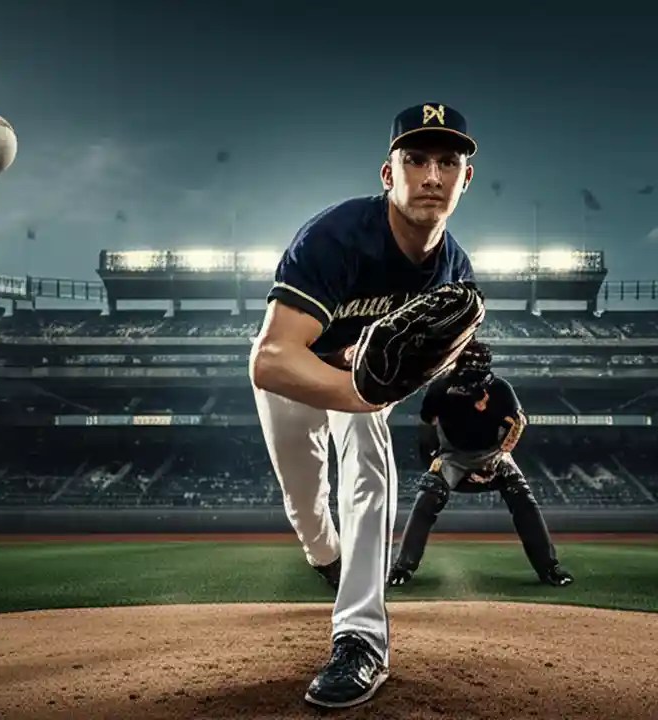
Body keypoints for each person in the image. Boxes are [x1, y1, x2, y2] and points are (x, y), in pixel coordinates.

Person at [249, 102, 478, 709]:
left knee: (370, 465)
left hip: (360, 385)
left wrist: (412, 379)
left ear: (465, 178)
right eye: (416, 160)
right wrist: (361, 389)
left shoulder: (455, 271)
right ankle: (326, 557)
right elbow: (269, 359)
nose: (432, 175)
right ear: (388, 173)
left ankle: (360, 639)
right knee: (304, 500)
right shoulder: (336, 236)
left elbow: (434, 360)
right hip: (295, 371)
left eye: (447, 162)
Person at [388, 341, 573, 587]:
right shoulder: (440, 387)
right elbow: (428, 425)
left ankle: (549, 567)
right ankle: (403, 566)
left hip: (493, 453)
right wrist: (432, 459)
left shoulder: (500, 389)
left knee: (523, 498)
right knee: (427, 495)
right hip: (452, 455)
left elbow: (518, 423)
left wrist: (500, 455)